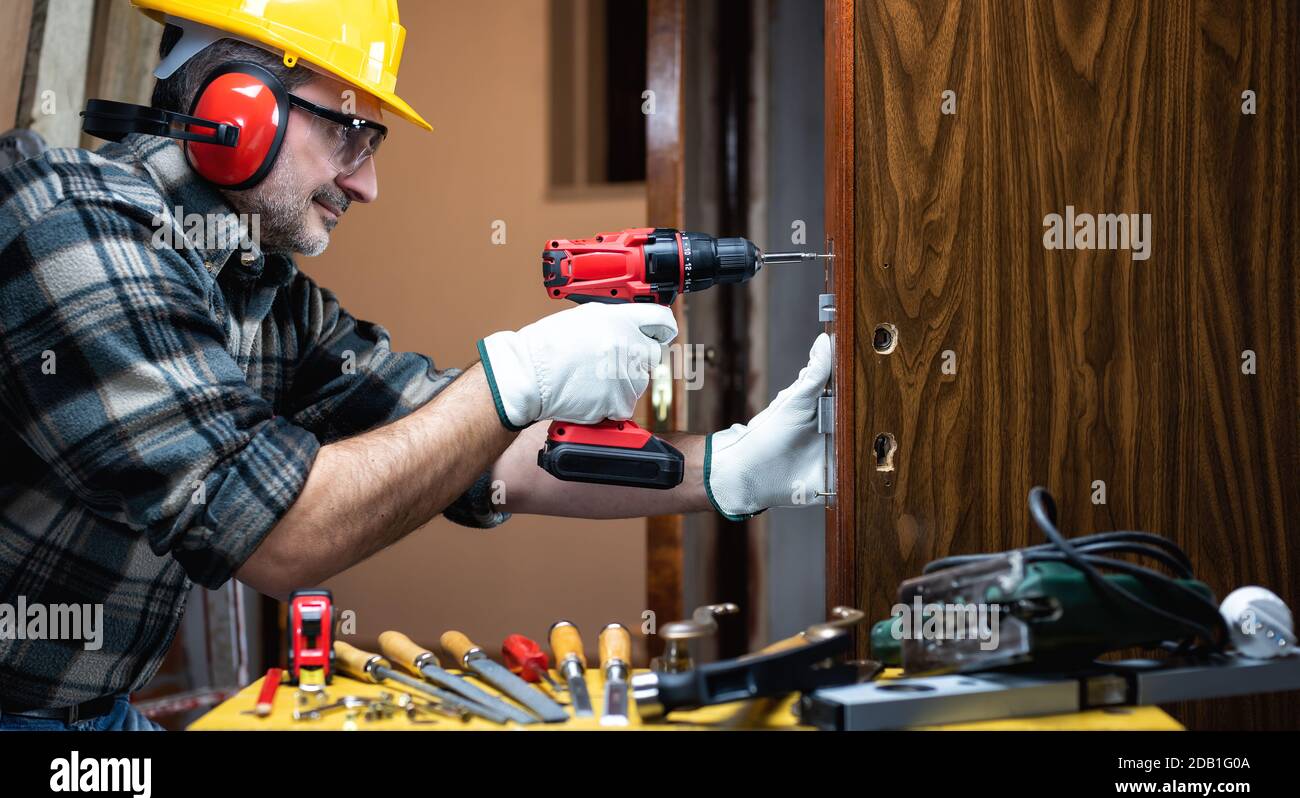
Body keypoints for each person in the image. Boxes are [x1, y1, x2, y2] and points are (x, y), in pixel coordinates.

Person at [0, 0, 831, 730]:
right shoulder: (74, 236)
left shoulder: (256, 287)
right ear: (235, 107)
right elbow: (275, 537)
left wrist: (732, 467)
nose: (368, 184)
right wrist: (515, 377)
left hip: (96, 714)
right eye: (350, 131)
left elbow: (476, 450)